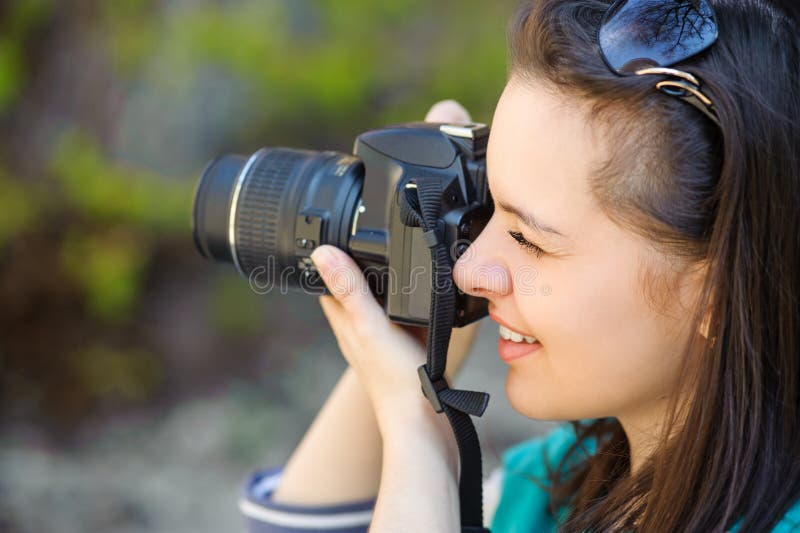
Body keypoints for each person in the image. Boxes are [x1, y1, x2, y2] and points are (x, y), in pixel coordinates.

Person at [239, 0, 800, 531]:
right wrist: (418, 348)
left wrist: (418, 438)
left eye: (529, 240)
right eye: (485, 207)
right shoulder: (557, 483)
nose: (467, 268)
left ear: (715, 295)